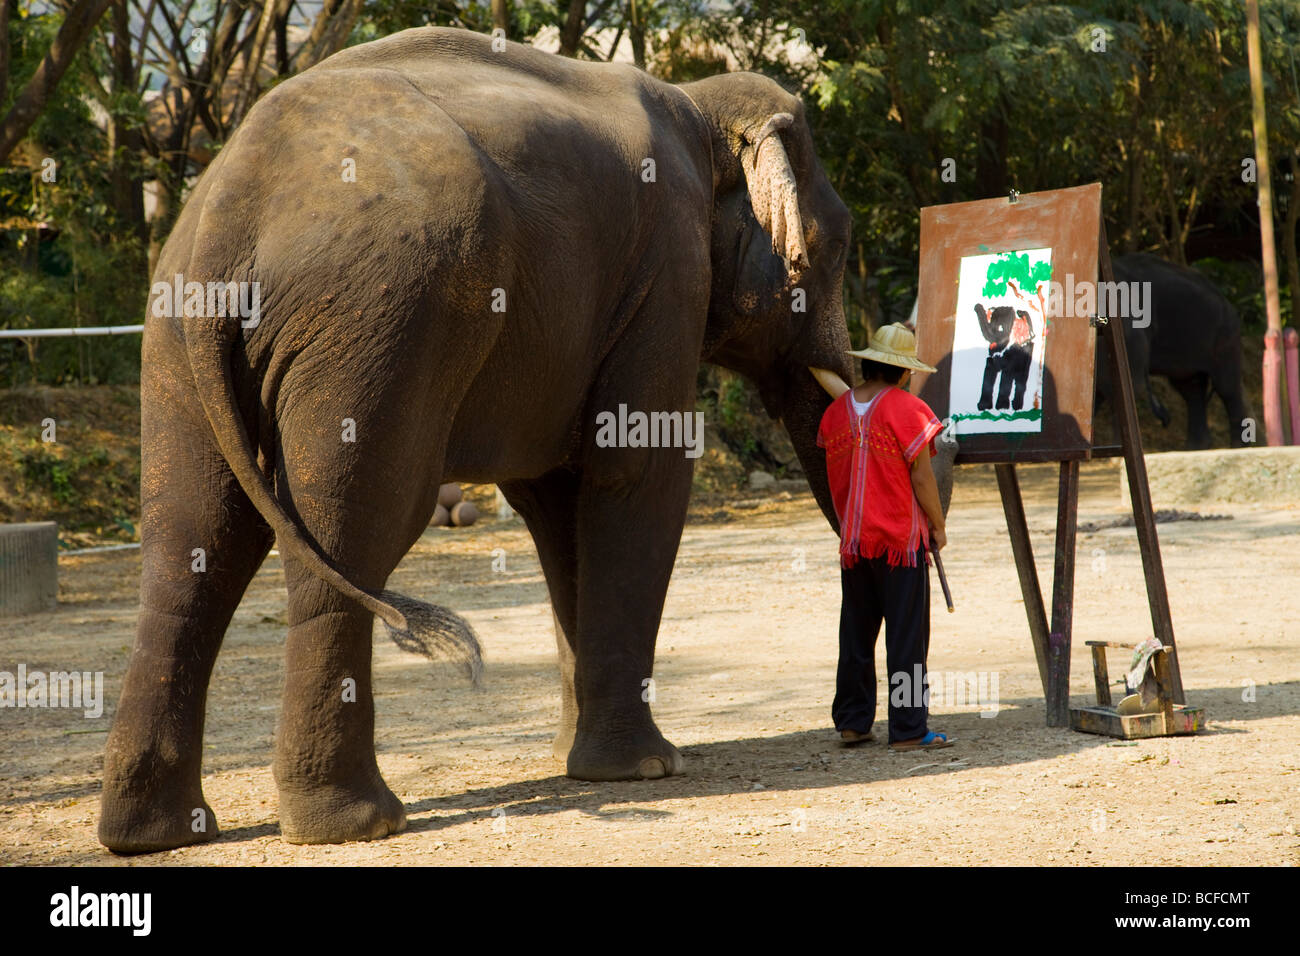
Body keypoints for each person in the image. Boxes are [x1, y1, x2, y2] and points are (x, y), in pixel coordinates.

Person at [815, 322, 953, 752]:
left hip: (855, 544)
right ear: (904, 372)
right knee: (907, 639)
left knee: (856, 633)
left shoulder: (836, 413)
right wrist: (938, 524)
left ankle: (853, 723)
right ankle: (909, 730)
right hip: (898, 543)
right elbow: (922, 476)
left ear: (870, 362)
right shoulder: (908, 409)